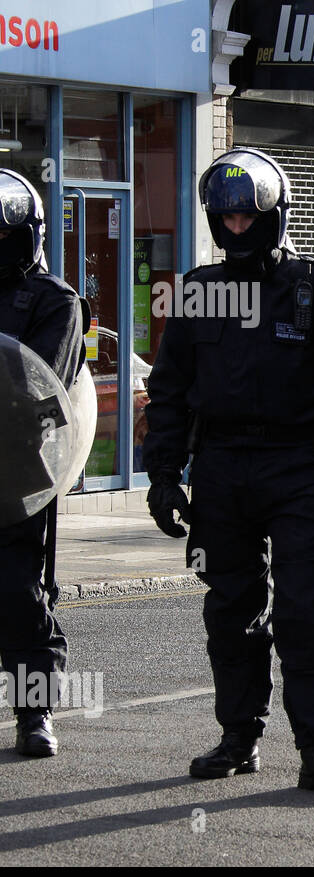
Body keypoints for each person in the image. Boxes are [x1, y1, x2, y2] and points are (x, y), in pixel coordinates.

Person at [143, 148, 314, 799]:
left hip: (303, 468)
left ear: (274, 215)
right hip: (221, 471)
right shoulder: (196, 292)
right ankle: (239, 737)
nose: (238, 228)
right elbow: (170, 392)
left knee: (309, 609)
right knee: (230, 611)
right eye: (226, 219)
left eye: (249, 217)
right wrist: (162, 473)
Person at [0, 169, 84, 757]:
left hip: (18, 472)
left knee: (22, 595)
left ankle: (35, 713)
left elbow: (42, 386)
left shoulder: (56, 301)